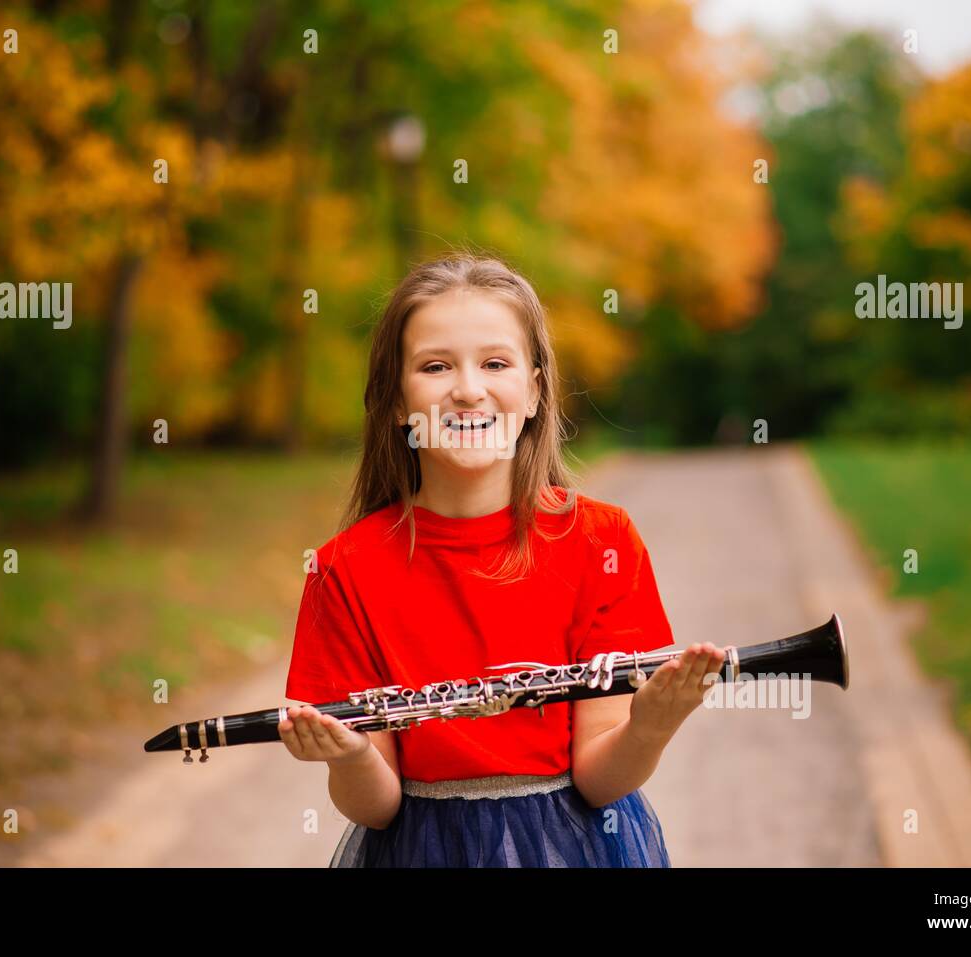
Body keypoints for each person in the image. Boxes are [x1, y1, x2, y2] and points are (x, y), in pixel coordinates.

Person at [280, 252, 725, 867]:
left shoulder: (603, 542)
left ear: (535, 389)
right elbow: (376, 807)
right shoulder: (345, 569)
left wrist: (650, 727)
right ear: (397, 402)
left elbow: (598, 777)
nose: (468, 389)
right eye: (435, 366)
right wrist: (350, 754)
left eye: (495, 363)